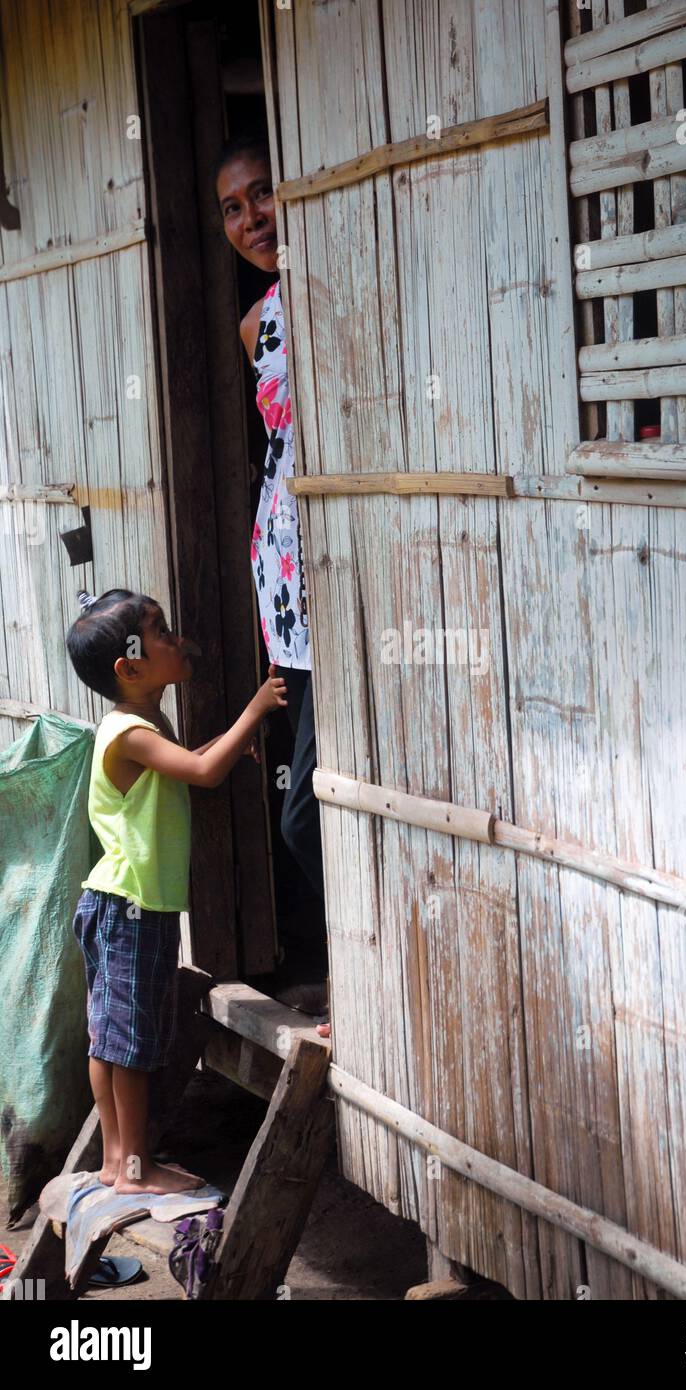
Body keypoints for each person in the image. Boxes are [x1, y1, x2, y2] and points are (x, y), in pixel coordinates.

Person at [66, 587, 287, 1195]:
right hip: (132, 910)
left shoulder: (134, 727)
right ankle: (134, 1168)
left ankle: (116, 1162)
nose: (175, 637)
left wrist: (224, 744)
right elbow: (201, 773)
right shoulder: (131, 732)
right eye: (159, 630)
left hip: (119, 906)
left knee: (110, 1040)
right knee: (130, 1044)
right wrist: (258, 708)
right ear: (130, 667)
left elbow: (188, 762)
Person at [215, 134, 329, 1035]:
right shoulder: (254, 323)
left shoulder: (335, 284)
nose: (253, 219)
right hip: (285, 586)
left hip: (342, 572)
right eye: (233, 208)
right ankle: (342, 971)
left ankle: (352, 972)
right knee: (304, 798)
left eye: (264, 195)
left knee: (307, 811)